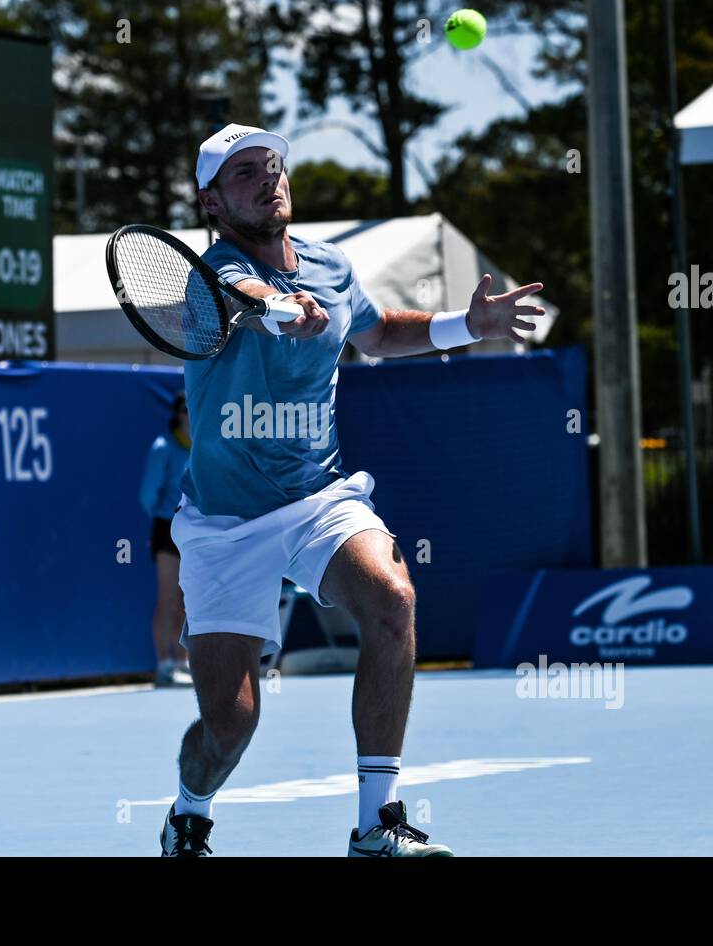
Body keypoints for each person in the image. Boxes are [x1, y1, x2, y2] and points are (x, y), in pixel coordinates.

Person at [159, 123, 546, 857]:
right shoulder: (205, 276)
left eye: (272, 165)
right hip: (225, 524)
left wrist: (472, 324)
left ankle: (377, 824)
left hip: (317, 499)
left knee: (393, 599)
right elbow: (237, 294)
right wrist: (279, 309)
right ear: (212, 202)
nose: (268, 179)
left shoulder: (331, 267)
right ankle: (188, 812)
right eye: (245, 173)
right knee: (228, 727)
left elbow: (374, 334)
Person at [139, 392, 193, 687]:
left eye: (192, 409)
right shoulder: (163, 447)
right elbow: (148, 494)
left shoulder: (205, 445)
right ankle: (164, 664)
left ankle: (184, 664)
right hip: (166, 527)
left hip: (198, 528)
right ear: (177, 415)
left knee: (189, 600)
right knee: (168, 597)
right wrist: (165, 516)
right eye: (183, 410)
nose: (188, 415)